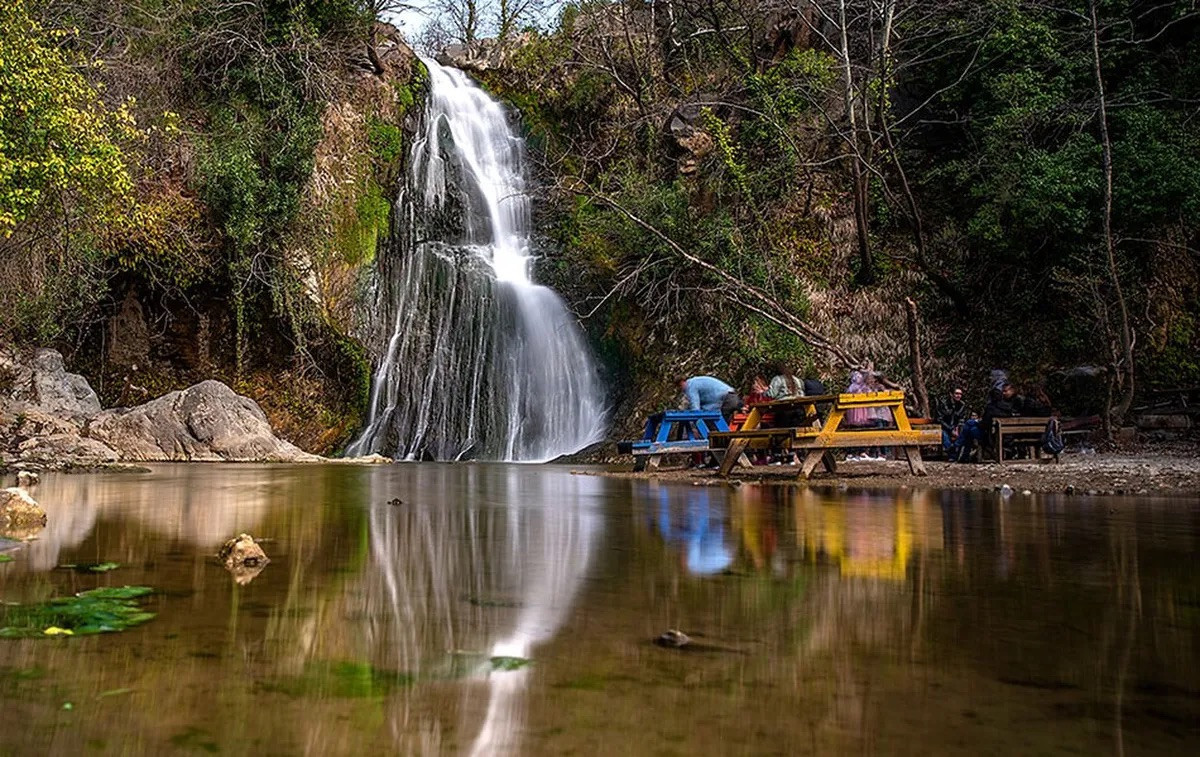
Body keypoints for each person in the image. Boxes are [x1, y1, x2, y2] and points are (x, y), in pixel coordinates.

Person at [677, 375, 741, 423]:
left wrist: (694, 420)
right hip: (732, 397)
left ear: (682, 382)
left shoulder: (690, 386)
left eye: (680, 386)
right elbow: (708, 407)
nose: (681, 389)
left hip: (727, 399)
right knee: (713, 419)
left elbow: (695, 407)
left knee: (717, 422)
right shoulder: (695, 382)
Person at [935, 387, 969, 455]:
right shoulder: (943, 403)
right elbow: (939, 419)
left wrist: (957, 428)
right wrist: (950, 429)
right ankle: (952, 453)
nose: (959, 396)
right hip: (944, 427)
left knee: (965, 432)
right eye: (956, 393)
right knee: (944, 435)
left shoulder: (962, 405)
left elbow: (962, 418)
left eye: (960, 394)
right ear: (951, 394)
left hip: (956, 427)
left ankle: (958, 452)